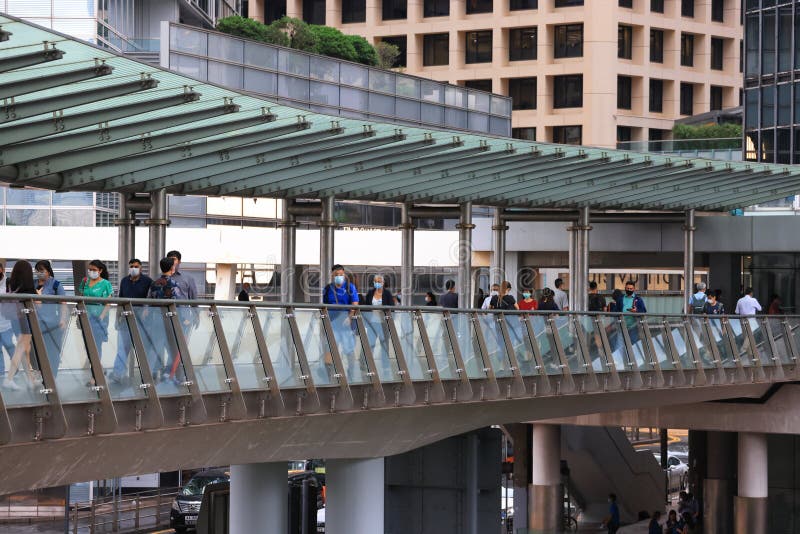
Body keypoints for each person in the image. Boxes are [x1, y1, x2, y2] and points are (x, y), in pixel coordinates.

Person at [109, 259, 153, 385]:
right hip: (125, 321)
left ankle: (146, 375)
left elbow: (150, 299)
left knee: (143, 350)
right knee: (122, 349)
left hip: (142, 323)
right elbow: (120, 299)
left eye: (136, 266)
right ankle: (117, 374)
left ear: (141, 268)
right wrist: (117, 318)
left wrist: (146, 309)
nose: (133, 268)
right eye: (131, 266)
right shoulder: (124, 281)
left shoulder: (147, 282)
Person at [147, 257, 186, 383]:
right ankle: (176, 376)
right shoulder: (174, 284)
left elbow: (149, 301)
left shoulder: (154, 283)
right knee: (174, 349)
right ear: (172, 268)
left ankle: (149, 376)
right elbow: (180, 303)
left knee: (154, 348)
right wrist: (185, 318)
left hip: (157, 318)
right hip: (171, 319)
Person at [3, 261, 39, 391]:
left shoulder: (10, 282)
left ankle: (30, 379)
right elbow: (36, 303)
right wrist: (39, 295)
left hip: (14, 318)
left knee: (25, 348)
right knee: (21, 348)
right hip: (24, 319)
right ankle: (9, 379)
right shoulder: (28, 286)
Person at [322, 265, 360, 376]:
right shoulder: (328, 288)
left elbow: (355, 302)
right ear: (332, 275)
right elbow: (324, 305)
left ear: (344, 275)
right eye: (336, 275)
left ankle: (351, 372)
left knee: (349, 348)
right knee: (330, 347)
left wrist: (350, 316)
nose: (339, 276)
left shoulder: (350, 287)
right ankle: (329, 373)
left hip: (346, 323)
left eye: (341, 274)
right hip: (332, 323)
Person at [34, 260, 67, 376]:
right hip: (35, 323)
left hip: (52, 324)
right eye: (37, 270)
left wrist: (63, 319)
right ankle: (40, 373)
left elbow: (63, 303)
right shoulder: (33, 284)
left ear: (48, 271)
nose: (39, 273)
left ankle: (52, 375)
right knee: (37, 350)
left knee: (52, 351)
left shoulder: (55, 284)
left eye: (42, 270)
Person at [77, 260, 113, 351]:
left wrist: (101, 317)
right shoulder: (85, 281)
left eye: (94, 269)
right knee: (87, 345)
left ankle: (95, 365)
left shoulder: (105, 284)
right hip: (86, 316)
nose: (91, 271)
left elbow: (108, 303)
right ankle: (91, 364)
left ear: (100, 271)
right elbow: (80, 296)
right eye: (89, 269)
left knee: (96, 347)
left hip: (98, 318)